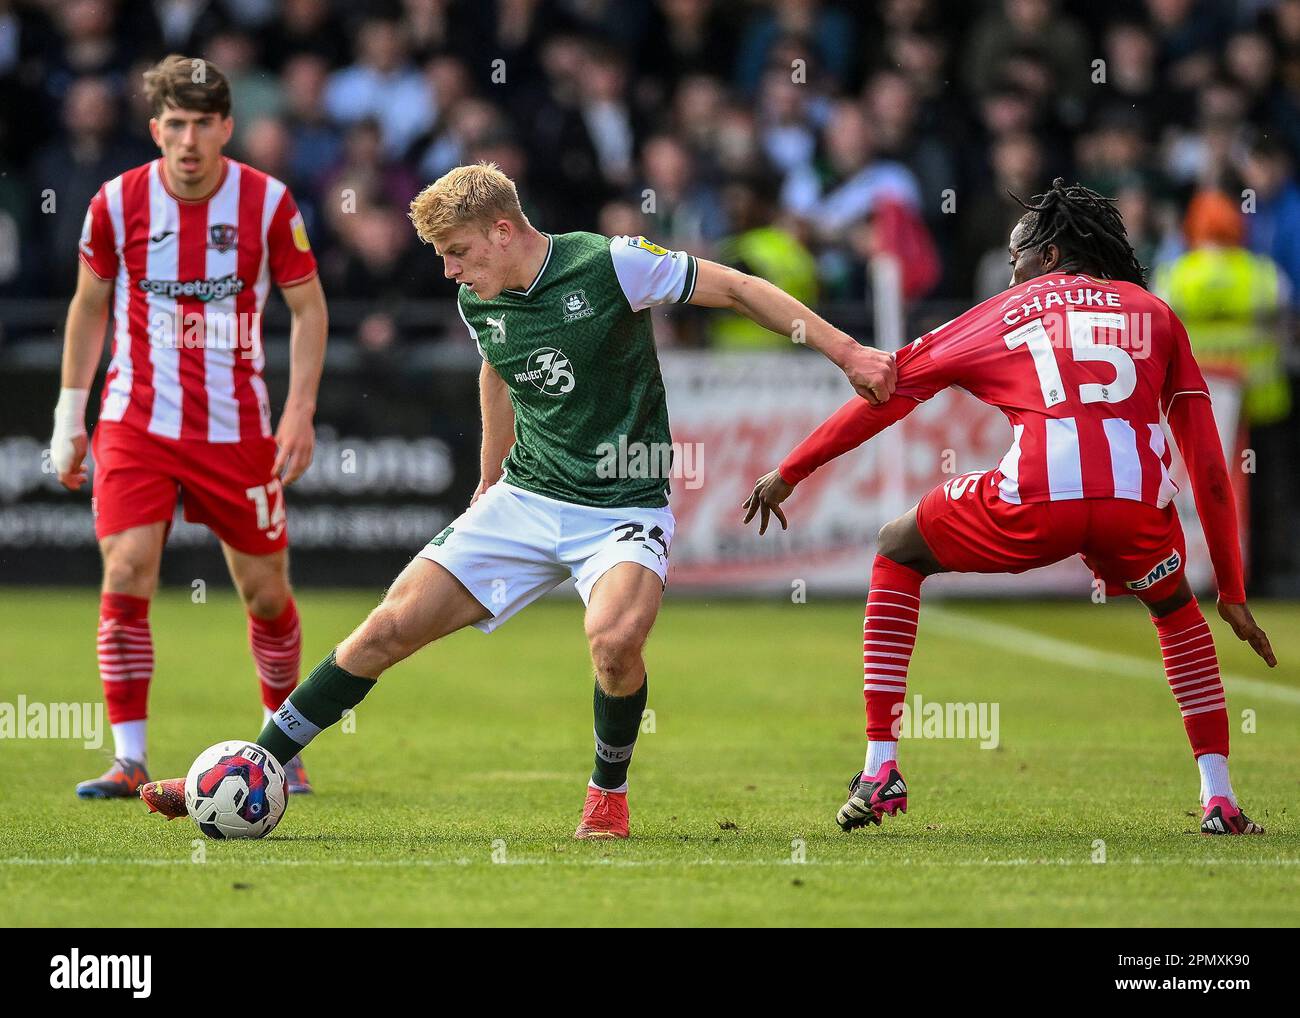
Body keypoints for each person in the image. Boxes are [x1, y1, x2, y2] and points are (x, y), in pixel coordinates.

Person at [140, 161, 896, 840]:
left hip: (624, 503)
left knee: (614, 644)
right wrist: (487, 477)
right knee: (384, 630)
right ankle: (250, 769)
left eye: (458, 253)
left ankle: (608, 792)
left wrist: (848, 351)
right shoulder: (482, 298)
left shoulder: (612, 265)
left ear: (503, 231)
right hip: (526, 497)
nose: (449, 271)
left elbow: (737, 287)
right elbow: (497, 372)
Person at [743, 180, 1276, 836]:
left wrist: (790, 470)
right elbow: (1210, 467)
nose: (1010, 264)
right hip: (1135, 513)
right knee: (1177, 614)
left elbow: (885, 390)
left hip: (1037, 502)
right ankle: (1218, 798)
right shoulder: (1153, 313)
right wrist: (1231, 587)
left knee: (896, 548)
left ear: (1048, 257)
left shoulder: (1009, 308)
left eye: (1017, 251)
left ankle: (882, 765)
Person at [51, 55, 329, 799]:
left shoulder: (268, 203)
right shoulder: (115, 202)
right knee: (127, 569)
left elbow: (309, 309)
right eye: (176, 123)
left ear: (227, 127)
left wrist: (299, 410)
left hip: (237, 428)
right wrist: (67, 415)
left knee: (266, 593)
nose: (190, 139)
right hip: (134, 419)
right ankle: (129, 756)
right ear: (155, 129)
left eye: (204, 123)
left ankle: (282, 745)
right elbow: (87, 306)